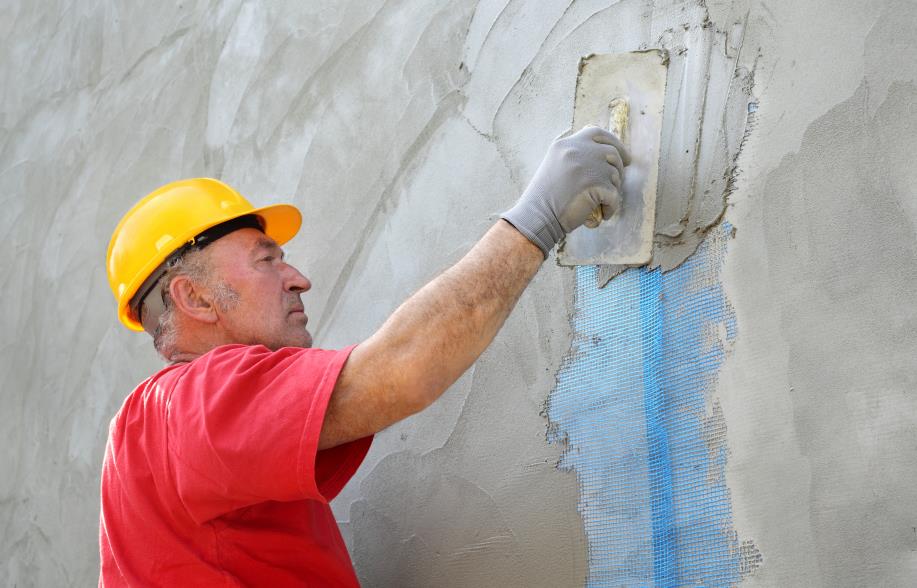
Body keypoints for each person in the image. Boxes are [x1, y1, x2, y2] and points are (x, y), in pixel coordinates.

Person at [99, 125, 629, 586]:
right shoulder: (196, 402)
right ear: (194, 297)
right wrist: (538, 217)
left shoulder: (157, 431)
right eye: (267, 261)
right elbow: (401, 370)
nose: (299, 279)